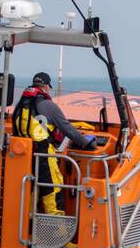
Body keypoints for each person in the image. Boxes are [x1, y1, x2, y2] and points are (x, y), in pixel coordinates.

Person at [12, 72, 99, 217]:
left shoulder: (21, 105)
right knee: (53, 190)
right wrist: (85, 142)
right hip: (45, 156)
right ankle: (58, 234)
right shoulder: (48, 105)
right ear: (46, 87)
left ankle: (27, 228)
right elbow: (67, 129)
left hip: (26, 157)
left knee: (32, 191)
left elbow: (39, 124)